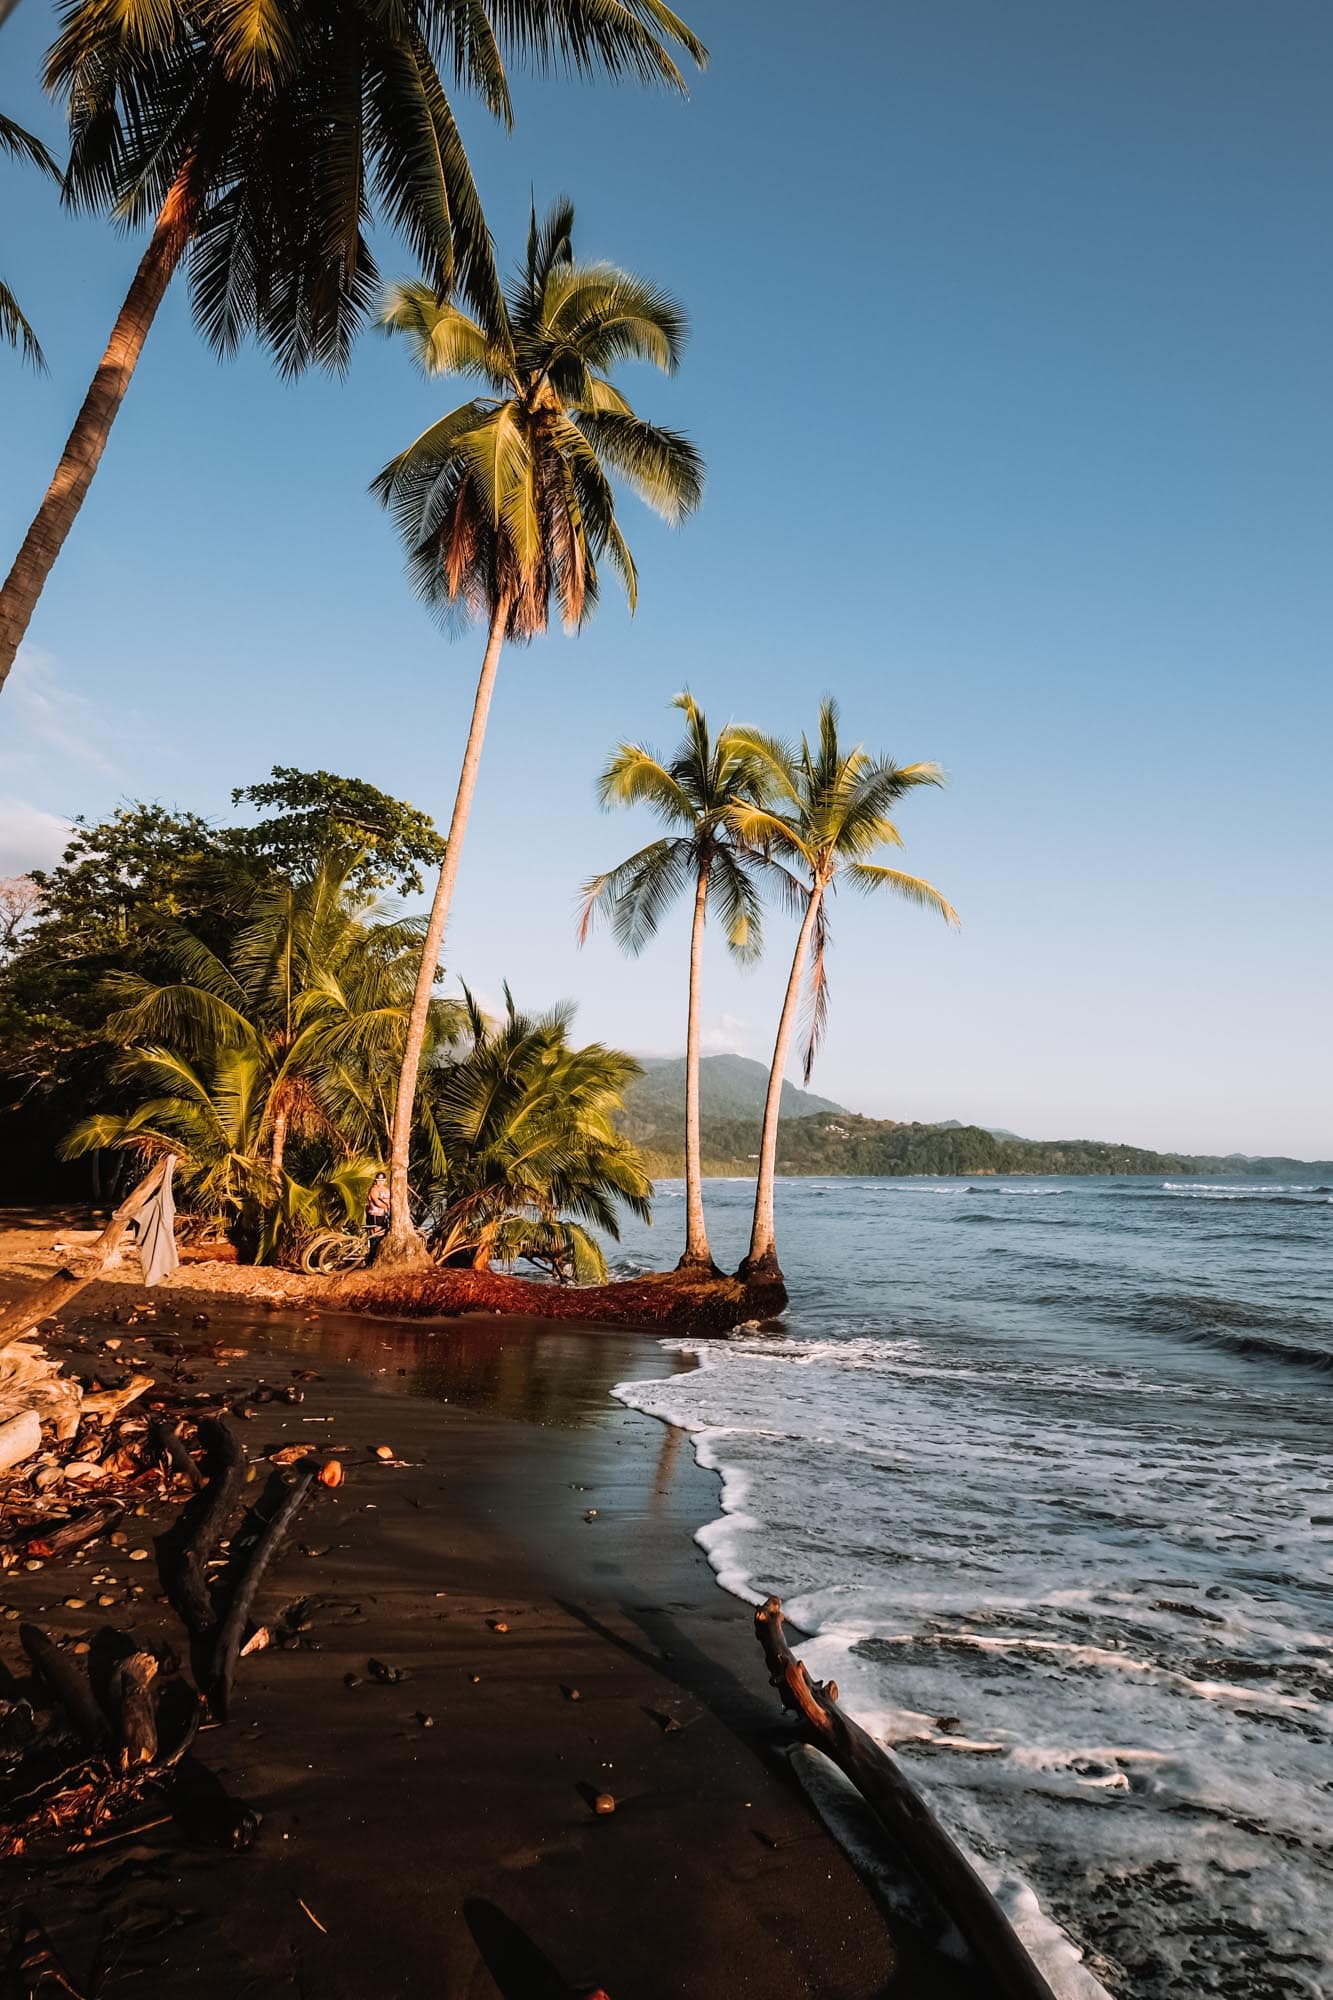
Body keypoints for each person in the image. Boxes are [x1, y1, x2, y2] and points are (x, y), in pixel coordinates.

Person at [366, 1172, 390, 1261]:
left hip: (384, 1215)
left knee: (383, 1234)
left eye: (382, 1180)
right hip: (374, 1215)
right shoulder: (373, 1189)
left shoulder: (387, 1190)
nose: (380, 1182)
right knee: (375, 1236)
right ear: (375, 1181)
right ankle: (371, 1258)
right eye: (378, 1180)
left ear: (385, 1181)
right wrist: (388, 1205)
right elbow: (377, 1203)